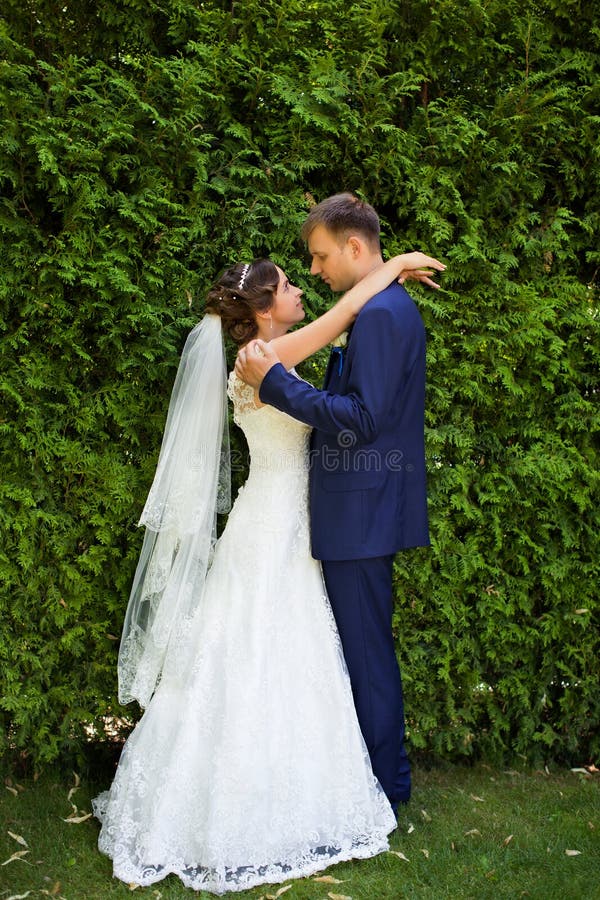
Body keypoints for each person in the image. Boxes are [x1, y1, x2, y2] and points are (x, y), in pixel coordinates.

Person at [93, 249, 444, 894]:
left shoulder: (271, 354)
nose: (298, 287)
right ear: (262, 311)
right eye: (286, 284)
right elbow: (343, 314)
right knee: (260, 648)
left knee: (270, 650)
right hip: (277, 523)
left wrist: (386, 269)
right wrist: (391, 266)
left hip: (282, 519)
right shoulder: (265, 358)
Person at [235, 193, 437, 816]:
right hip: (361, 510)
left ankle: (386, 788)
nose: (316, 271)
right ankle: (375, 779)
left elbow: (364, 418)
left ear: (354, 248)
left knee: (368, 655)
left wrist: (273, 385)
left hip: (359, 515)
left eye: (321, 257)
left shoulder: (379, 316)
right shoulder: (380, 306)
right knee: (362, 650)